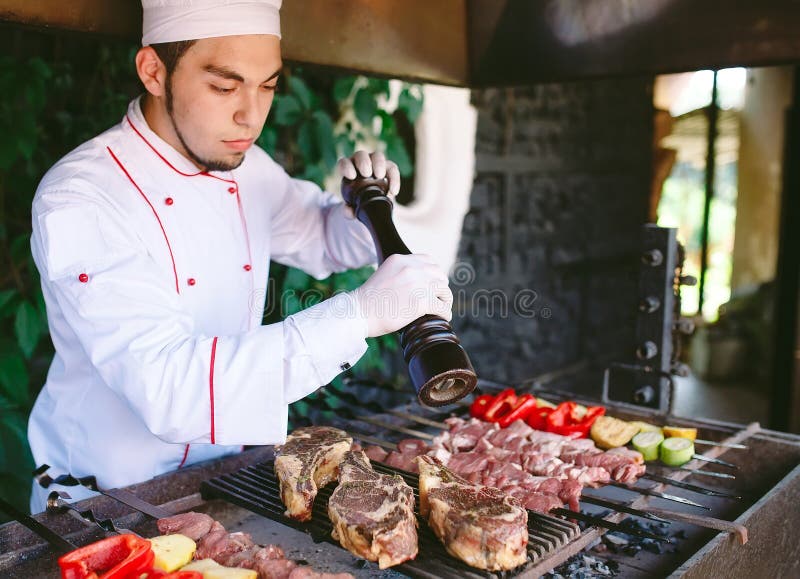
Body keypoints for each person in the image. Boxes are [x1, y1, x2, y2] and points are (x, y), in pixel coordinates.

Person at [27, 0, 453, 513]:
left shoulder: (246, 167)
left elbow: (322, 238)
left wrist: (363, 206)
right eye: (224, 86)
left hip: (217, 482)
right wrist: (359, 315)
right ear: (154, 71)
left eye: (268, 85)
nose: (251, 115)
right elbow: (169, 388)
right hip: (101, 502)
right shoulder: (81, 198)